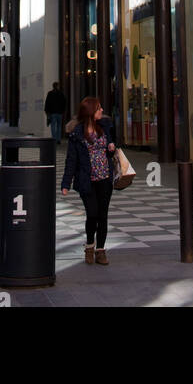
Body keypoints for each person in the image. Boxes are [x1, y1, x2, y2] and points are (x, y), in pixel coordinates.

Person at [61, 97, 117, 266]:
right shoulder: (77, 133)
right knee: (92, 214)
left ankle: (100, 250)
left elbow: (114, 142)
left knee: (103, 215)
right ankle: (89, 246)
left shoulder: (106, 126)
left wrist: (112, 145)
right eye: (98, 108)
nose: (101, 110)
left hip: (105, 178)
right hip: (87, 180)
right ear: (91, 112)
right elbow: (71, 160)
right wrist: (66, 183)